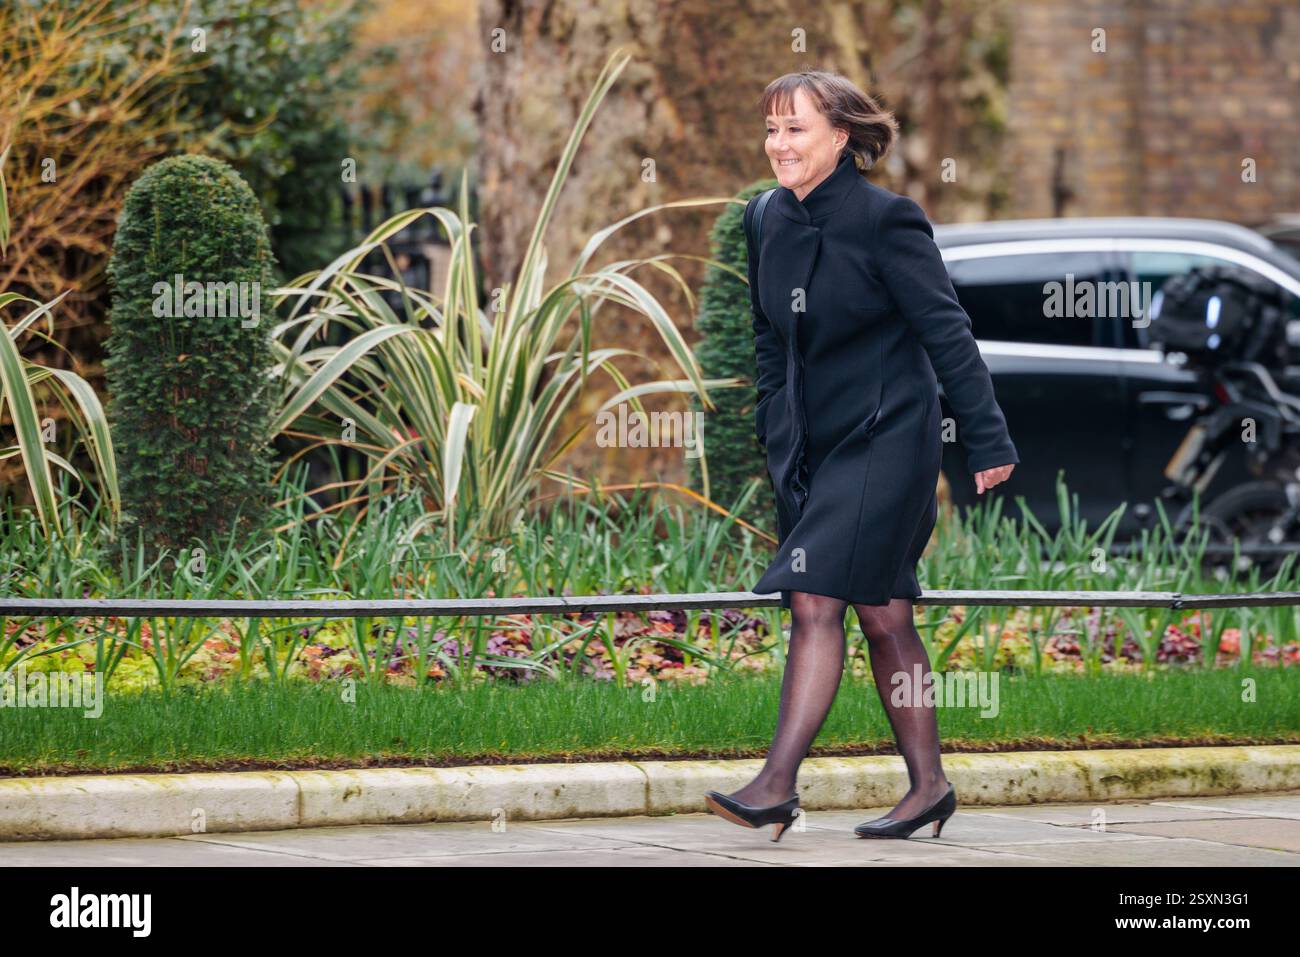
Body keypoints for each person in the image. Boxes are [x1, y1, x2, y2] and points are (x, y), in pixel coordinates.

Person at [704, 69, 1018, 843]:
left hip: (890, 438)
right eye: (771, 128)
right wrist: (773, 428)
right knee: (883, 612)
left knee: (815, 598)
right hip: (816, 446)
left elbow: (947, 332)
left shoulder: (888, 221)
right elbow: (768, 340)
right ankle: (930, 786)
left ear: (841, 137)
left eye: (796, 129)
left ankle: (776, 783)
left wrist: (985, 435)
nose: (779, 144)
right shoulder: (762, 219)